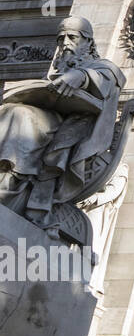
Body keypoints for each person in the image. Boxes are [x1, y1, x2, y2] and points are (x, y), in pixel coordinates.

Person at [0, 17, 125, 223]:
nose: (65, 43)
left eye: (72, 37)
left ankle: (11, 182)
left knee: (19, 116)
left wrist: (82, 76)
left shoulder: (101, 65)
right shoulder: (60, 66)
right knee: (9, 110)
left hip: (73, 125)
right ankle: (8, 177)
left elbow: (112, 77)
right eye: (61, 39)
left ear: (88, 42)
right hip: (49, 117)